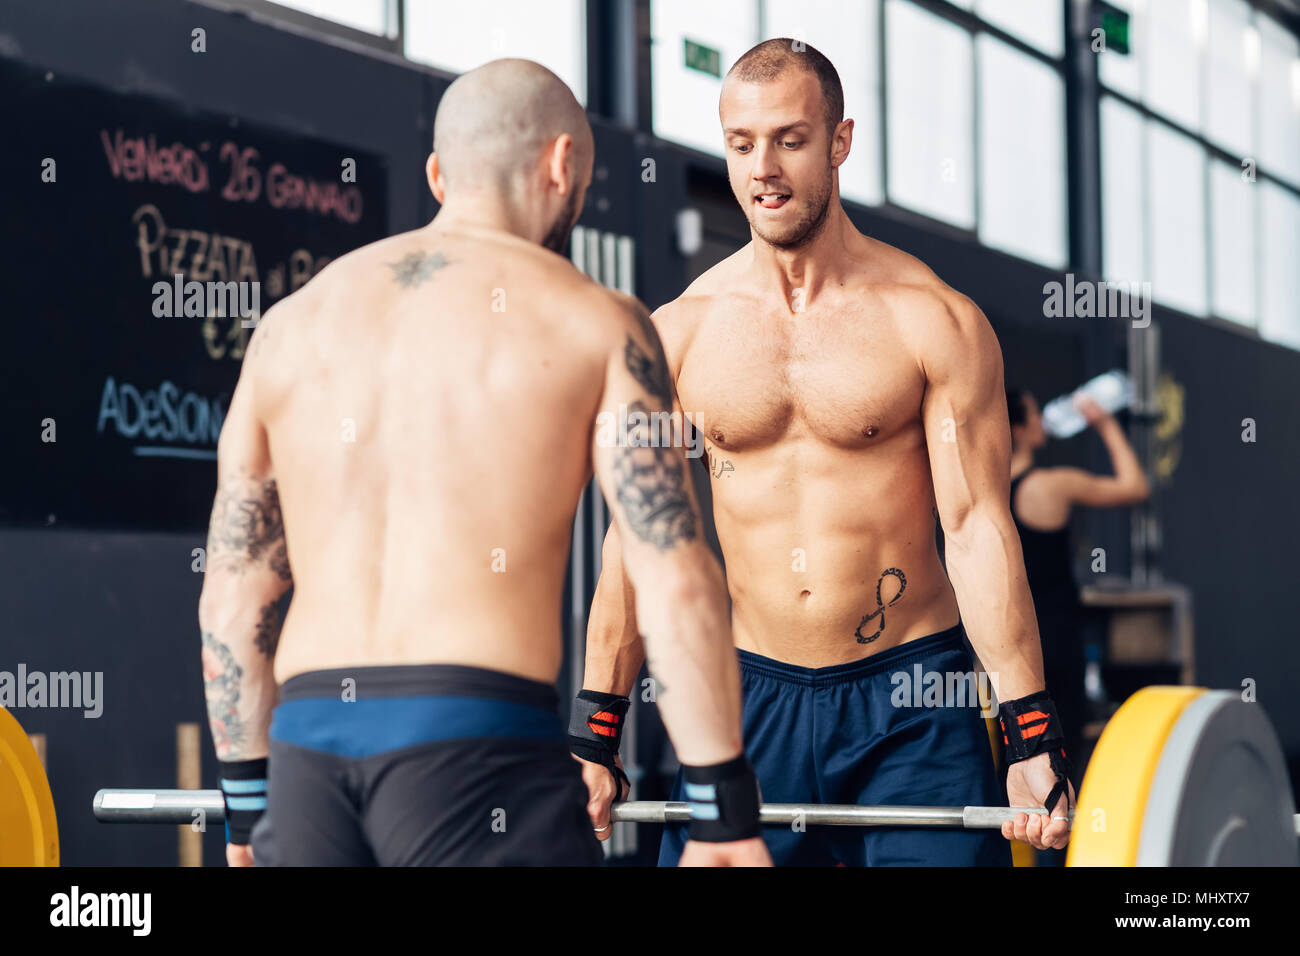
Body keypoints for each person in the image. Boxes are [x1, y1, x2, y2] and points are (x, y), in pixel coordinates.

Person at [197, 58, 770, 867]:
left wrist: (249, 810)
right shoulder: (598, 322)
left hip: (309, 750)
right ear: (564, 164)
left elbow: (233, 593)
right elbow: (672, 574)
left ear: (438, 174)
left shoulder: (291, 326)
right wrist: (720, 810)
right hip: (475, 747)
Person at [573, 38, 1073, 867]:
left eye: (790, 140)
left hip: (912, 695)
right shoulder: (677, 337)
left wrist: (1029, 734)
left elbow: (979, 528)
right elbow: (637, 542)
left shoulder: (932, 321)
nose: (762, 168)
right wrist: (596, 731)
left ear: (839, 141)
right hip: (743, 693)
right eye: (741, 145)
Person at [1005, 387, 1151, 781]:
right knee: (1064, 754)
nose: (1042, 422)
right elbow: (1134, 486)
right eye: (1034, 414)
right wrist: (1103, 423)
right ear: (1018, 428)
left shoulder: (986, 493)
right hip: (1058, 639)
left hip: (1009, 644)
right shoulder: (1051, 484)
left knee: (1020, 756)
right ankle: (1062, 840)